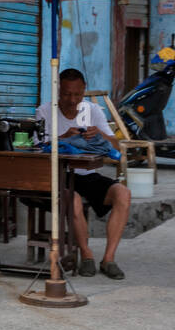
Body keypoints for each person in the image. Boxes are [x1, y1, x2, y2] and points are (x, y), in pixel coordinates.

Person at [35, 68, 131, 280]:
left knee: (123, 194)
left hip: (87, 175)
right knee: (74, 200)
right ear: (58, 91)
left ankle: (108, 259)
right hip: (58, 176)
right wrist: (62, 137)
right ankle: (86, 256)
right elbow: (37, 148)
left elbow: (116, 145)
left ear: (83, 91)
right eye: (67, 94)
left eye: (77, 94)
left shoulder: (92, 111)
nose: (72, 99)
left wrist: (101, 134)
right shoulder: (44, 112)